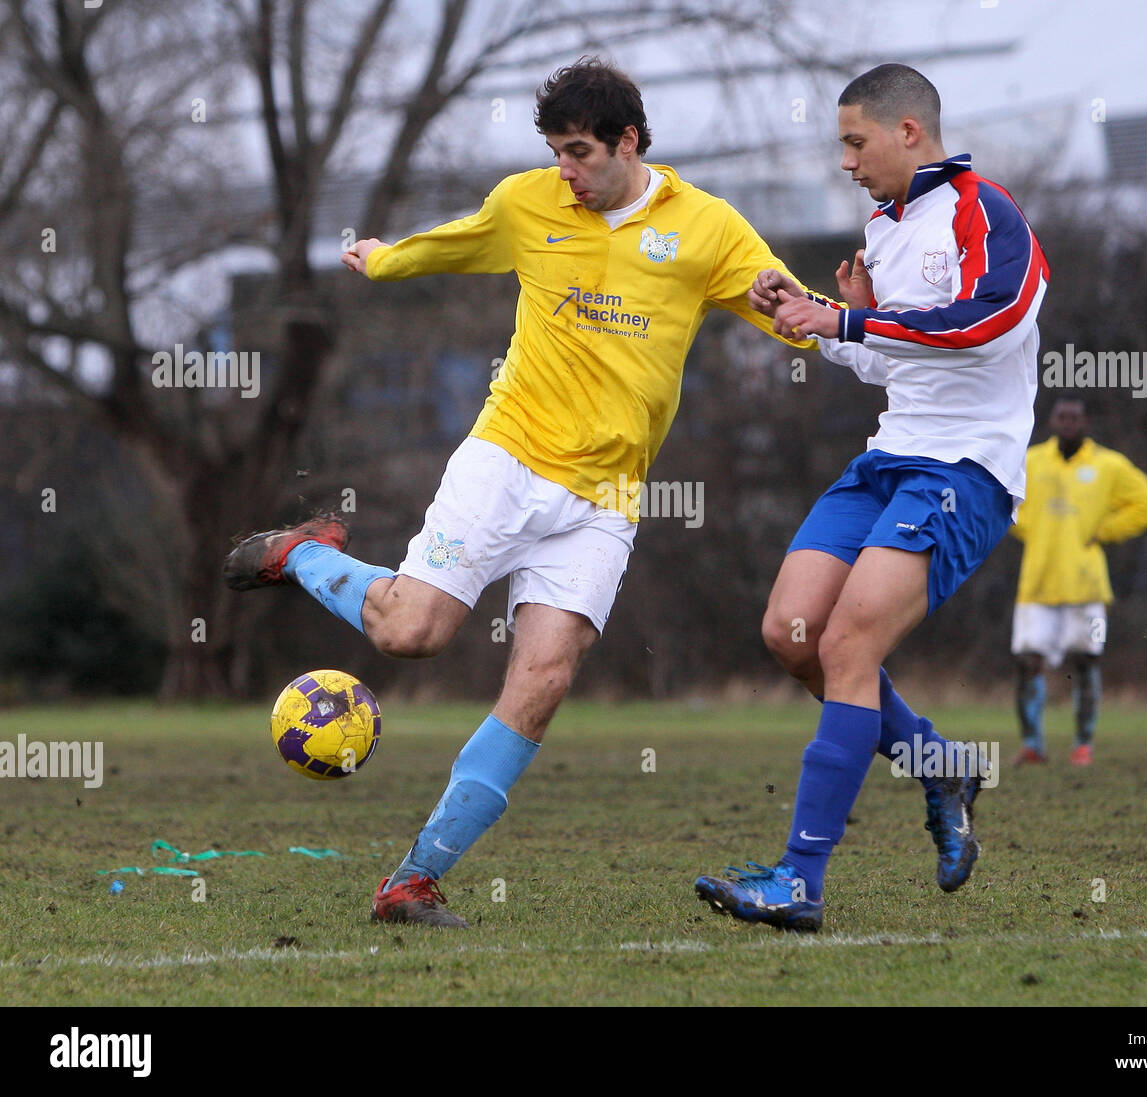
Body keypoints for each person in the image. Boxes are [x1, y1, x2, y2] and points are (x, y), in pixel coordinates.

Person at [223, 57, 813, 928]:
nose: (564, 171)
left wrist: (825, 311)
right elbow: (454, 241)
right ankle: (302, 553)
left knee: (540, 683)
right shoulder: (528, 202)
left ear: (629, 142)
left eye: (579, 152)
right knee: (410, 632)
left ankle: (412, 881)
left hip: (607, 499)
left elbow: (786, 312)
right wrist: (383, 260)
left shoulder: (708, 229)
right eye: (555, 152)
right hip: (508, 459)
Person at [694, 63, 1050, 932]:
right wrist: (816, 314)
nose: (846, 162)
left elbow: (989, 320)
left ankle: (800, 880)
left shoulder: (983, 210)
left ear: (908, 132)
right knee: (792, 634)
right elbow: (898, 357)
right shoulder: (882, 231)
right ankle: (940, 767)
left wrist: (846, 319)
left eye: (855, 142)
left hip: (964, 470)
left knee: (848, 643)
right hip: (888, 458)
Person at [1009, 396, 1147, 766]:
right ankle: (1033, 745)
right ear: (1051, 421)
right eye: (1062, 416)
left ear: (1086, 422)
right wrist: (1031, 529)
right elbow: (1006, 503)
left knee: (1086, 660)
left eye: (1075, 417)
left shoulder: (1107, 465)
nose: (1068, 423)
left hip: (1088, 587)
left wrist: (1107, 530)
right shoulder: (1030, 461)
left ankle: (1083, 744)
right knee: (1027, 661)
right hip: (1037, 584)